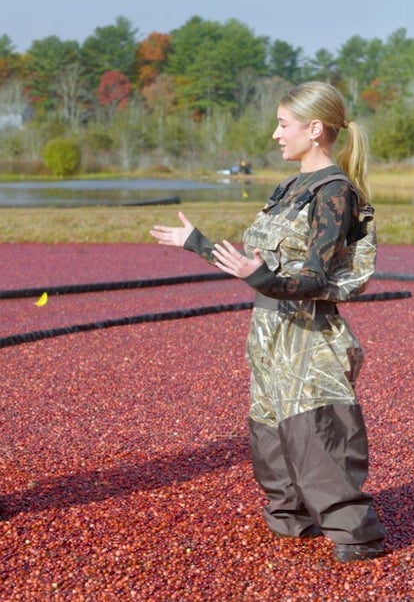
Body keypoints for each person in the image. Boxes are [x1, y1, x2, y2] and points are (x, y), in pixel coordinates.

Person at [150, 81, 387, 562]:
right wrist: (196, 242)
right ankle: (291, 517)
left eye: (283, 124)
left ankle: (355, 537)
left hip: (306, 333)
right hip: (268, 329)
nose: (276, 134)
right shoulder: (290, 187)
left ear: (315, 129)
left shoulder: (333, 192)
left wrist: (258, 274)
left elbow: (313, 277)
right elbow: (258, 266)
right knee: (271, 431)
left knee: (315, 432)